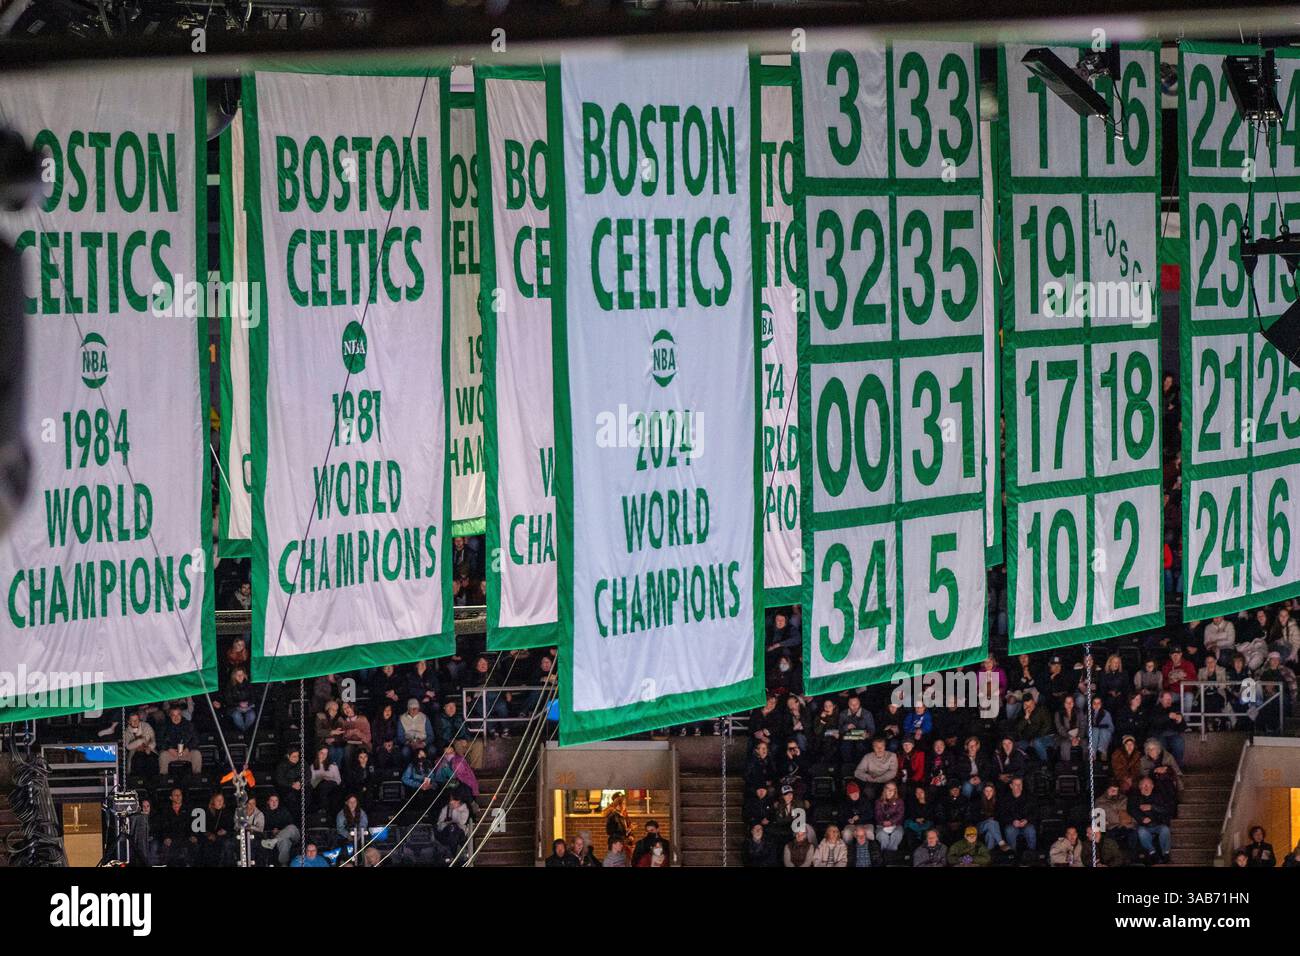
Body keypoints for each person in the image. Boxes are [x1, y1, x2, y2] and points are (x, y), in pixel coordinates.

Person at [1128, 776, 1173, 864]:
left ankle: (1166, 853)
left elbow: (1166, 809)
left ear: (1152, 786)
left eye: (1148, 785)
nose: (1146, 787)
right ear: (1140, 786)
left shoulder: (1159, 796)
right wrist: (1142, 818)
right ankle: (1152, 852)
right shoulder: (1135, 797)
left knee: (1165, 830)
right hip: (1143, 826)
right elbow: (1131, 809)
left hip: (1158, 824)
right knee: (1141, 832)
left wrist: (1152, 807)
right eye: (1144, 785)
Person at [158, 705, 202, 776]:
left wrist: (188, 749)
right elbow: (159, 740)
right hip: (171, 753)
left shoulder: (188, 724)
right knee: (163, 755)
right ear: (170, 715)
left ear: (181, 714)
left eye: (178, 714)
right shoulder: (164, 725)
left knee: (196, 754)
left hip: (185, 752)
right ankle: (164, 780)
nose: (176, 717)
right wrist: (169, 748)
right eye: (173, 715)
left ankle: (197, 779)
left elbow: (196, 739)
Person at [1000, 776, 1038, 856]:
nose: (1018, 787)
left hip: (1026, 824)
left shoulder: (1029, 797)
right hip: (1012, 825)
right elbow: (1002, 815)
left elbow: (1035, 813)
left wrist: (1027, 820)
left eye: (1020, 784)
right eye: (1016, 785)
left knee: (1030, 830)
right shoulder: (1005, 798)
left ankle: (1031, 855)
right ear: (1011, 786)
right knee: (1009, 830)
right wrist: (1012, 821)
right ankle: (1012, 855)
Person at [258, 792, 300, 866]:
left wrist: (280, 831)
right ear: (268, 802)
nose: (274, 803)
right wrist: (272, 832)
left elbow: (290, 825)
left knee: (292, 827)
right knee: (284, 842)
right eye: (272, 800)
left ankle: (274, 840)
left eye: (276, 800)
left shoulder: (283, 810)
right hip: (275, 839)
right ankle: (284, 864)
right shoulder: (263, 813)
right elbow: (262, 828)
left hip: (293, 837)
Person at [123, 711, 158, 777]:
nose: (135, 722)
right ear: (129, 721)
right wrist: (141, 741)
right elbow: (128, 746)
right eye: (132, 720)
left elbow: (153, 740)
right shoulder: (127, 731)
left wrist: (148, 747)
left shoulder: (146, 726)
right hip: (135, 753)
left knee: (152, 760)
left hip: (149, 750)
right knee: (138, 761)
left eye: (136, 720)